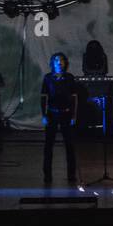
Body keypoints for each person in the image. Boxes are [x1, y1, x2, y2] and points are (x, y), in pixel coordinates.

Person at [41, 52, 80, 185]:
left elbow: (75, 98)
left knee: (69, 146)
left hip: (66, 114)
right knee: (48, 146)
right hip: (52, 114)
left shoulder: (69, 78)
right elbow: (43, 97)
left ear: (65, 63)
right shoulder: (47, 78)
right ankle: (47, 175)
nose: (59, 62)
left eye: (62, 60)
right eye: (57, 60)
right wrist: (44, 115)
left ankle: (71, 175)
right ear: (52, 63)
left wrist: (74, 115)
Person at [79, 39, 113, 136]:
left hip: (101, 83)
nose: (94, 49)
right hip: (88, 83)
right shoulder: (85, 56)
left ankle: (112, 123)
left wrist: (97, 75)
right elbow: (85, 69)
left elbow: (104, 70)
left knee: (110, 88)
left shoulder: (102, 56)